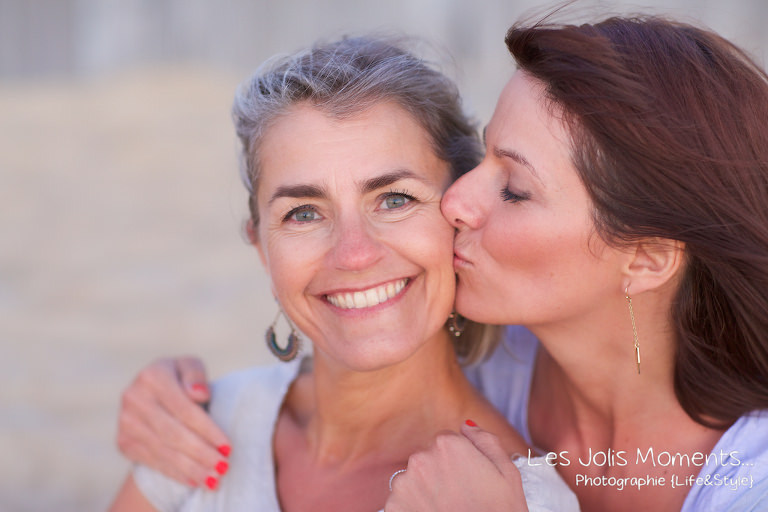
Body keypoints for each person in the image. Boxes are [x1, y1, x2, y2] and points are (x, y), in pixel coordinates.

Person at [116, 14, 768, 511]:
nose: (456, 201)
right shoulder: (500, 354)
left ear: (649, 257)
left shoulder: (748, 479)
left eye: (513, 189)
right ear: (256, 240)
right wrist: (174, 393)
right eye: (303, 213)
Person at [108, 35, 579, 512]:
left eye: (395, 200)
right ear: (260, 247)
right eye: (304, 213)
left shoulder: (520, 500)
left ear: (460, 215)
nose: (354, 255)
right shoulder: (195, 432)